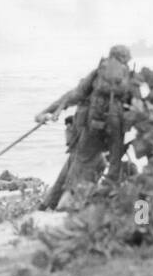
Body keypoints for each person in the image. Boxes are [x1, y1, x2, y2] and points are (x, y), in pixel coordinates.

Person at [37, 44, 137, 211]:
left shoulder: (97, 75)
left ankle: (51, 205)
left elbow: (73, 95)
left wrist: (47, 112)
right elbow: (135, 103)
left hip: (89, 129)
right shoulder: (126, 78)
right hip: (112, 130)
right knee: (96, 166)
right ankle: (60, 206)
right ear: (126, 60)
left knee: (80, 166)